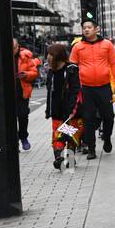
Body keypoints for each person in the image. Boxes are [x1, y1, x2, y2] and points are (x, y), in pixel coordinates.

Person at [71, 19, 115, 160]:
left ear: (96, 29)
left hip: (104, 87)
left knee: (108, 116)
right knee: (88, 119)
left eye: (89, 27)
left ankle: (107, 138)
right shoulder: (78, 47)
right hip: (86, 88)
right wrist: (74, 88)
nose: (86, 30)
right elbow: (72, 68)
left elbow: (114, 64)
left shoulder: (107, 45)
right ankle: (91, 149)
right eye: (84, 28)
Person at [43, 42, 82, 171]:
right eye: (48, 54)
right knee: (57, 136)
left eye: (51, 54)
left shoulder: (71, 69)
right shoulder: (51, 72)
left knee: (70, 137)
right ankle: (59, 159)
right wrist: (48, 110)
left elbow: (76, 91)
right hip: (56, 111)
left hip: (70, 111)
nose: (48, 57)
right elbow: (50, 92)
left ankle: (70, 162)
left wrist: (72, 109)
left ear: (59, 56)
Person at [16, 43, 40, 151]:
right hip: (5, 94)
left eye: (14, 48)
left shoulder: (25, 56)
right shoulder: (0, 55)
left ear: (18, 47)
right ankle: (13, 141)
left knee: (23, 115)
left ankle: (23, 137)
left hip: (22, 92)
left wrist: (26, 74)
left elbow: (34, 73)